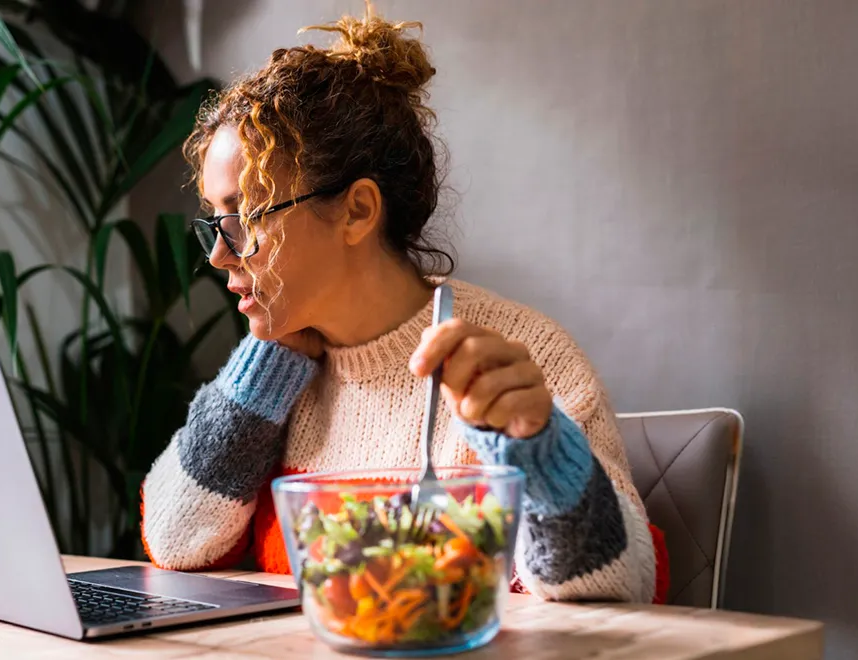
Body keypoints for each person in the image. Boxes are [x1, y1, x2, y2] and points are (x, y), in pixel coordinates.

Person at [140, 2, 666, 603]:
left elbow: (621, 586)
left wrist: (538, 445)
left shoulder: (518, 361)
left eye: (248, 217)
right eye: (216, 223)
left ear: (358, 211)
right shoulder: (279, 371)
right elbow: (174, 540)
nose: (219, 256)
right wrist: (266, 365)